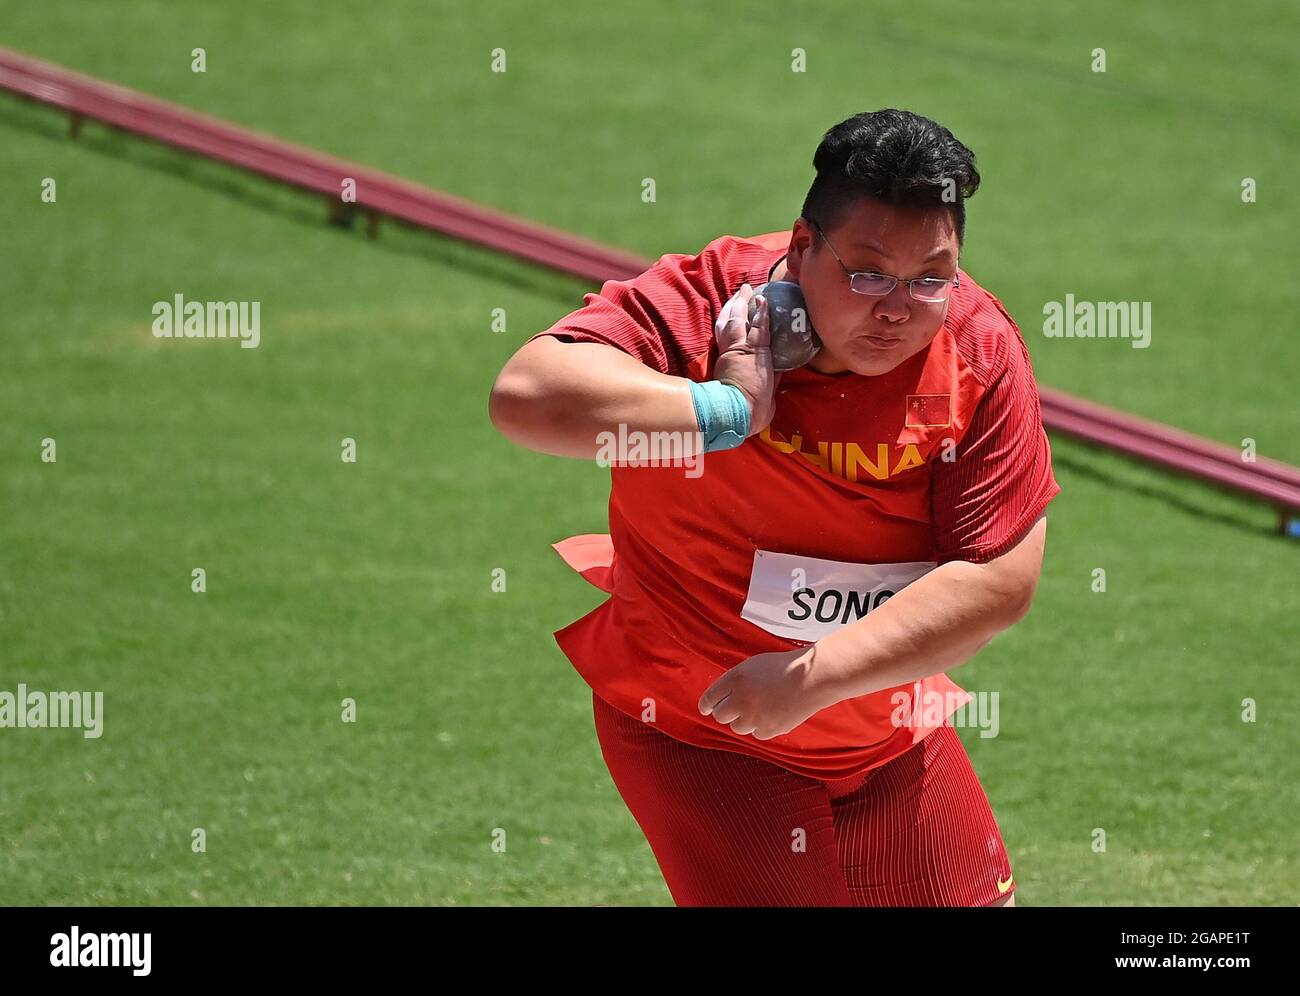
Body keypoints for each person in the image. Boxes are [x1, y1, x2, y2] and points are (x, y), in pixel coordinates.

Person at [488, 109, 1059, 906]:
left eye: (931, 277)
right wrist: (726, 409)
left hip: (878, 722)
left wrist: (814, 676)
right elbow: (526, 397)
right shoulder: (718, 303)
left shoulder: (979, 350)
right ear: (801, 246)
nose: (897, 307)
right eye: (867, 272)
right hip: (702, 725)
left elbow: (998, 581)